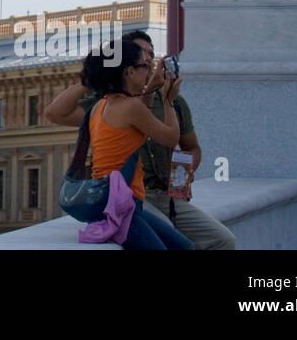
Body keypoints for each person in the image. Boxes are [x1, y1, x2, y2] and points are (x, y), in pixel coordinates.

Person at [47, 31, 236, 250]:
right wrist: (167, 101)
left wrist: (180, 182)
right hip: (127, 198)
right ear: (126, 69)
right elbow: (55, 113)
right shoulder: (114, 103)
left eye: (151, 57)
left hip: (163, 194)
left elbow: (189, 147)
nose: (149, 63)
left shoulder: (118, 103)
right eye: (142, 60)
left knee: (221, 240)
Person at [70, 42, 193, 250]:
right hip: (120, 205)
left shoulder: (102, 104)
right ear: (129, 72)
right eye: (145, 65)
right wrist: (169, 100)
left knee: (184, 247)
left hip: (113, 201)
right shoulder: (130, 107)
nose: (150, 70)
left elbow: (137, 118)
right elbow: (171, 137)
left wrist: (152, 87)